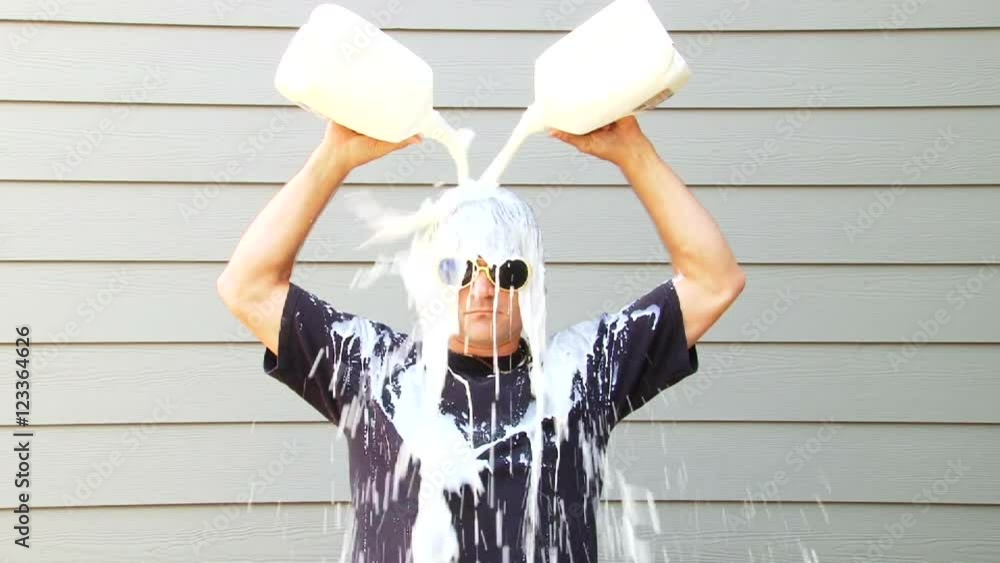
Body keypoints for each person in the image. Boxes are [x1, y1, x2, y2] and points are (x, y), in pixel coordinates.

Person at [216, 116, 745, 563]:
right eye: (457, 270)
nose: (483, 290)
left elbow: (713, 282)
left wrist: (634, 152)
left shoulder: (579, 375)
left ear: (532, 281)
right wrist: (333, 157)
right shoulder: (377, 374)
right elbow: (248, 286)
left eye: (508, 270)